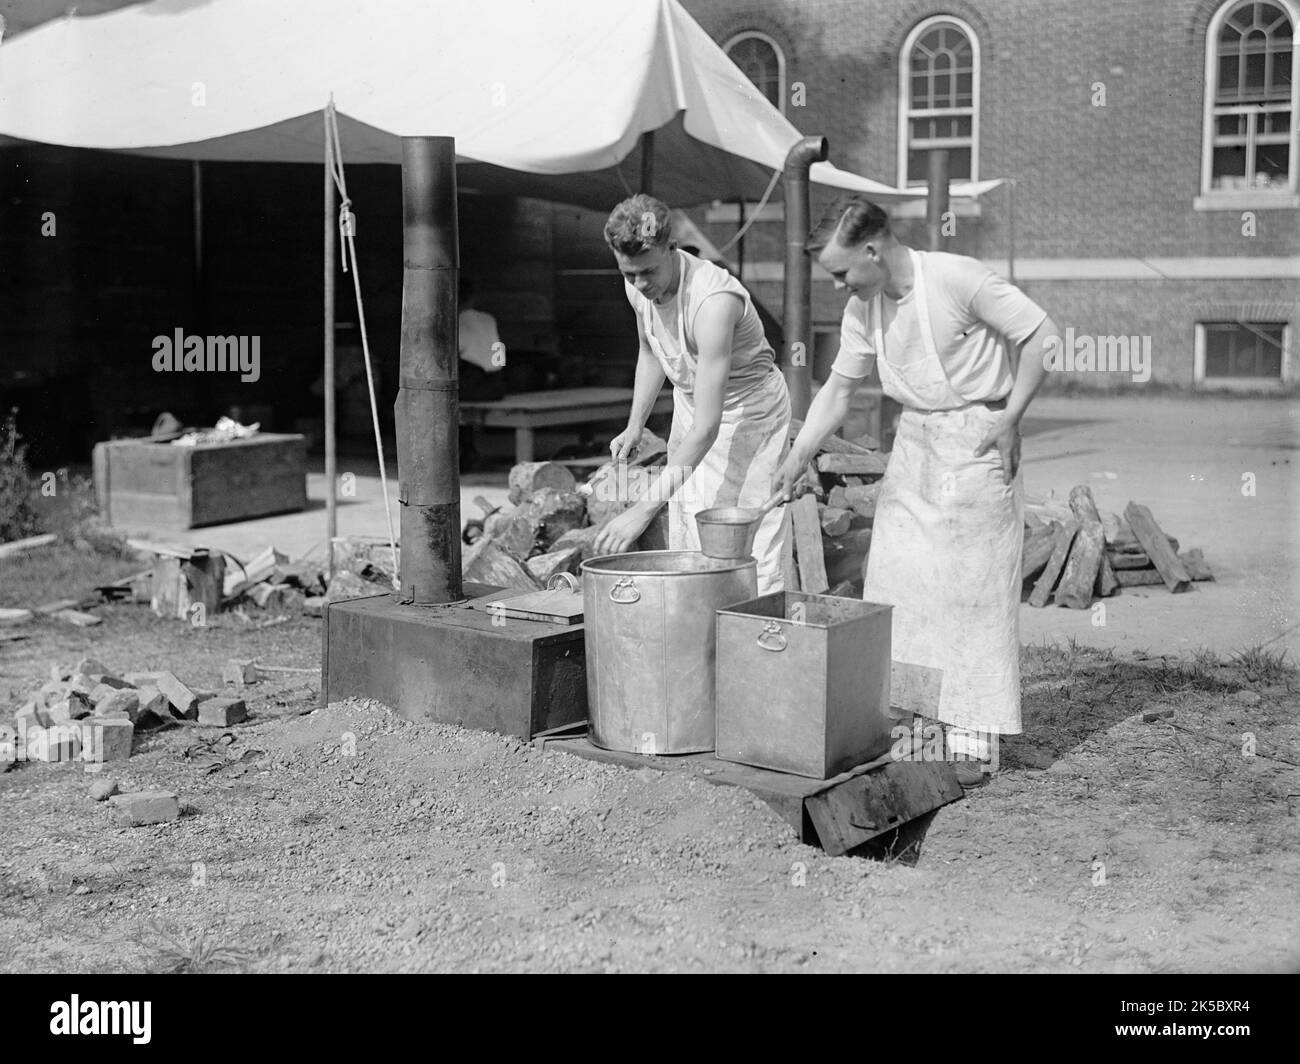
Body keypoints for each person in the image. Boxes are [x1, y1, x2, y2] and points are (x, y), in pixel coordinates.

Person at [775, 197, 1060, 787]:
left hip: (978, 442)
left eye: (842, 272)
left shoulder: (956, 278)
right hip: (916, 442)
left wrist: (1010, 418)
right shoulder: (865, 307)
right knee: (899, 582)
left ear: (873, 250)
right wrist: (797, 454)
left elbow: (1042, 336)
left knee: (971, 591)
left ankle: (974, 737)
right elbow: (837, 389)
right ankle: (916, 724)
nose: (838, 286)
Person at [593, 194, 791, 592]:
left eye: (647, 271)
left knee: (747, 534)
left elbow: (707, 428)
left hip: (749, 413)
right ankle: (699, 631)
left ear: (672, 248)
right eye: (629, 274)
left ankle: (758, 631)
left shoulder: (714, 302)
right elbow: (651, 351)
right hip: (693, 405)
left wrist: (643, 510)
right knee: (691, 525)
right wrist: (635, 425)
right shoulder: (637, 285)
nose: (639, 284)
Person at [457, 277, 506, 402]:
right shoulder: (489, 319)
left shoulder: (456, 322)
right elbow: (499, 356)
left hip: (472, 386)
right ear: (473, 298)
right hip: (496, 386)